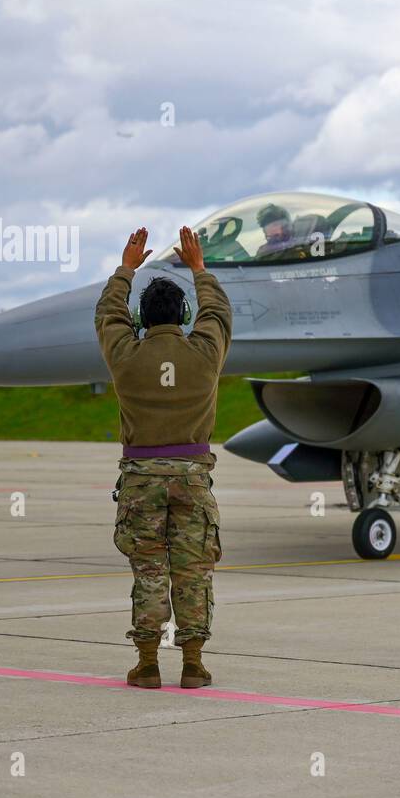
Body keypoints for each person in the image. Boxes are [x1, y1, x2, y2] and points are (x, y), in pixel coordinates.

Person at [94, 226, 233, 689]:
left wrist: (126, 269)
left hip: (140, 481)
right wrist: (199, 268)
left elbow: (108, 315)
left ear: (141, 319)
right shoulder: (206, 353)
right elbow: (219, 312)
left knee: (149, 569)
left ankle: (148, 663)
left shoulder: (125, 356)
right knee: (193, 571)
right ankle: (193, 664)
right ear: (185, 313)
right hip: (193, 479)